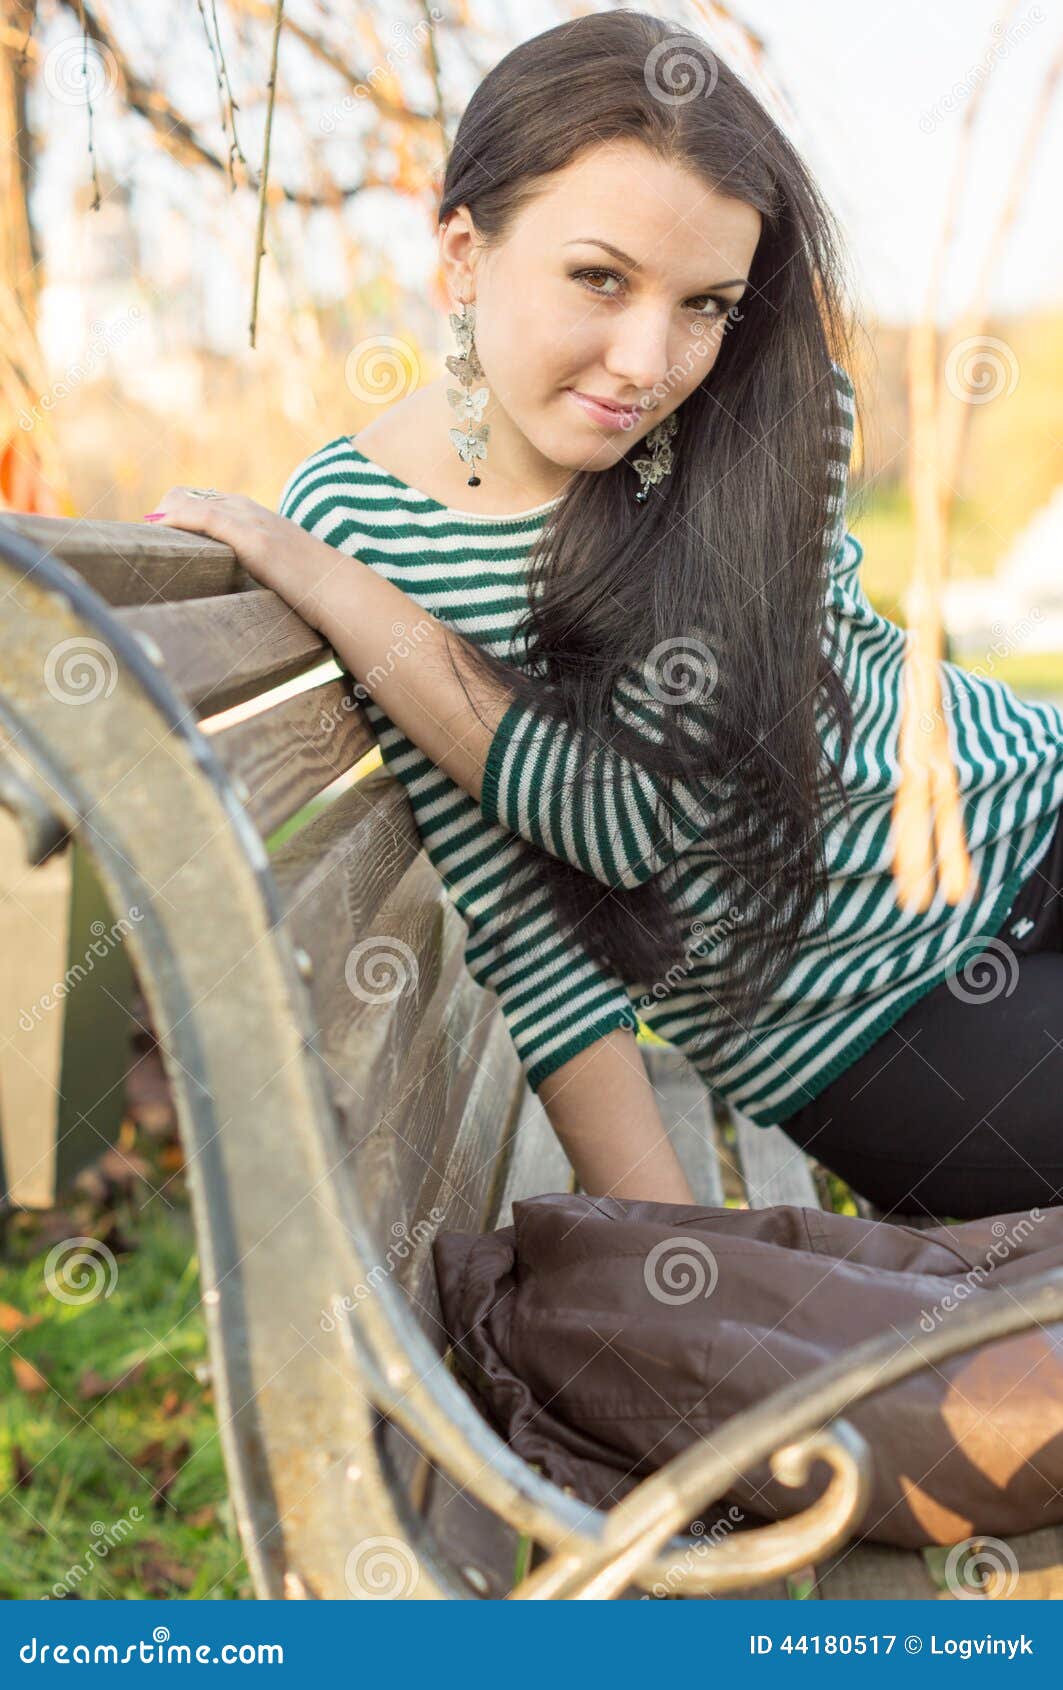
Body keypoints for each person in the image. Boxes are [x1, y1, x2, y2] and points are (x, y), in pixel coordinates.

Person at [144, 12, 1063, 1218]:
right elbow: (539, 911)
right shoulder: (355, 525)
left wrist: (331, 588)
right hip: (892, 1030)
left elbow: (636, 808)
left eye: (704, 303)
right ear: (463, 257)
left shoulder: (777, 412)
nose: (649, 359)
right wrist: (685, 1266)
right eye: (598, 278)